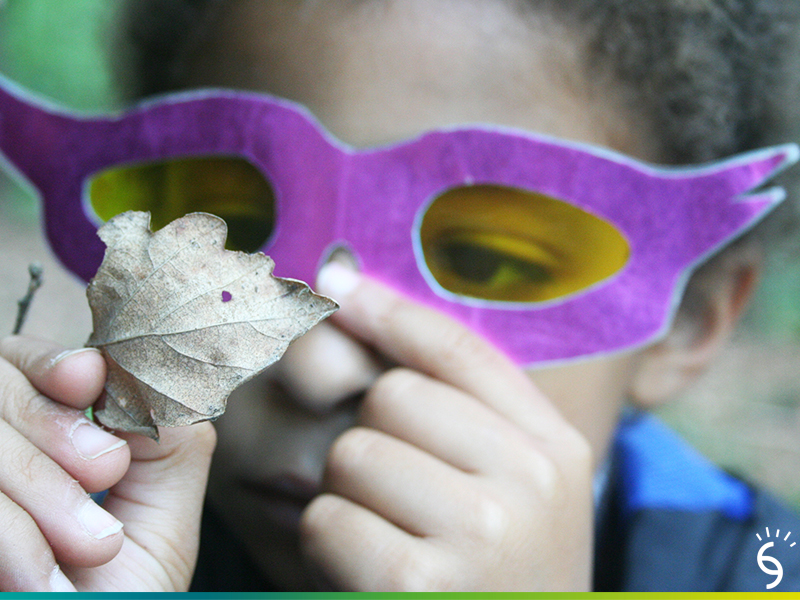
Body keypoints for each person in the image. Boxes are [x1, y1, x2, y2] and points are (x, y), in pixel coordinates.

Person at [1, 0, 800, 591]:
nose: (316, 367)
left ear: (689, 323)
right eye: (229, 227)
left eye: (484, 261)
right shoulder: (55, 537)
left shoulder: (763, 571)